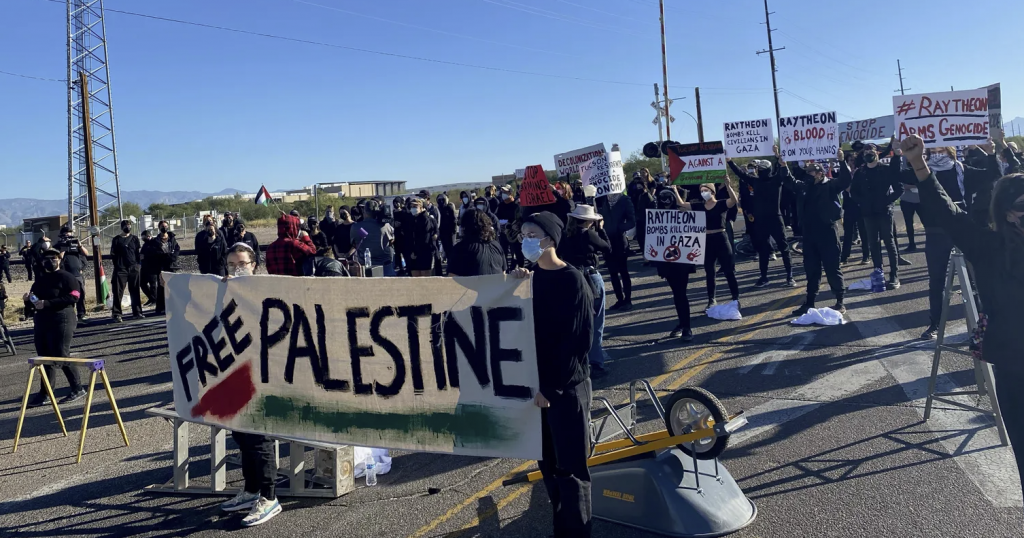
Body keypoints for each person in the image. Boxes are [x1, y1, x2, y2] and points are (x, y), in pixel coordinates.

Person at [899, 132, 1024, 495]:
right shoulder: (989, 247)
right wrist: (920, 164)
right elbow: (947, 215)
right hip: (1016, 370)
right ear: (1006, 212)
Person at [519, 212, 594, 538]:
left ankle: (577, 532)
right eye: (523, 233)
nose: (525, 239)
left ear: (549, 239)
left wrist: (548, 387)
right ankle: (560, 527)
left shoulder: (572, 280)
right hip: (538, 390)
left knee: (571, 468)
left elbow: (578, 342)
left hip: (565, 389)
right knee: (547, 463)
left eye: (532, 233)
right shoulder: (527, 280)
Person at [217, 243, 283, 526]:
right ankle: (251, 489)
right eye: (231, 264)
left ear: (254, 264)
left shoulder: (266, 287)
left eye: (241, 263)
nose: (236, 269)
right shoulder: (223, 290)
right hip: (236, 375)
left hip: (264, 376)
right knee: (242, 436)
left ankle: (269, 498)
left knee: (260, 438)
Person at [915, 140, 1002, 339]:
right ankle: (934, 324)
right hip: (935, 232)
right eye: (932, 149)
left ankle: (983, 321)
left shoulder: (962, 170)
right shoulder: (923, 174)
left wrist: (990, 154)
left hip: (964, 229)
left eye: (941, 147)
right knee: (936, 280)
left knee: (975, 279)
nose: (937, 152)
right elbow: (897, 176)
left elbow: (992, 175)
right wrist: (905, 156)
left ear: (949, 148)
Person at [782, 151, 851, 315]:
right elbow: (789, 181)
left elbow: (845, 180)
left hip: (827, 232)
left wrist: (841, 161)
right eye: (807, 172)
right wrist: (783, 165)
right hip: (809, 233)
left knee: (832, 268)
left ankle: (840, 301)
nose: (808, 175)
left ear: (820, 173)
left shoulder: (831, 185)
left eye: (811, 172)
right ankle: (810, 302)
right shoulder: (805, 186)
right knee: (811, 269)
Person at [24, 248, 86, 407]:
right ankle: (46, 393)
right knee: (44, 356)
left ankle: (77, 388)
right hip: (43, 320)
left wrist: (48, 303)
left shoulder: (67, 277)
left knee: (60, 353)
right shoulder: (40, 280)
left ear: (59, 260)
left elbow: (74, 296)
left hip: (62, 318)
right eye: (47, 259)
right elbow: (35, 299)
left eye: (54, 258)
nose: (50, 261)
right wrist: (28, 300)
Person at [557, 205, 611, 379]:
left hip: (572, 277)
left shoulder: (565, 235)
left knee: (579, 321)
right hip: (590, 277)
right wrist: (601, 230)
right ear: (589, 220)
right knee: (596, 322)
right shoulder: (589, 234)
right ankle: (596, 362)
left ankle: (579, 361)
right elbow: (607, 248)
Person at [728, 153, 796, 287]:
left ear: (764, 170)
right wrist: (729, 161)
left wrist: (780, 159)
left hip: (772, 219)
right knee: (765, 250)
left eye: (759, 168)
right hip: (766, 220)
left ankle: (789, 276)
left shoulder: (773, 180)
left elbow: (783, 171)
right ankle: (766, 277)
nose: (756, 170)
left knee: (782, 248)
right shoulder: (758, 180)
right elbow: (740, 174)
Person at [851, 139, 904, 290]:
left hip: (884, 211)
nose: (869, 155)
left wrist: (887, 202)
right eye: (866, 152)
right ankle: (878, 272)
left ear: (877, 154)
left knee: (889, 242)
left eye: (871, 152)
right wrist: (862, 202)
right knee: (873, 243)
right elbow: (853, 192)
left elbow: (899, 189)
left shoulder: (886, 169)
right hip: (868, 213)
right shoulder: (860, 172)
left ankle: (894, 275)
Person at [654, 188, 696, 341]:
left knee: (680, 294)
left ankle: (686, 327)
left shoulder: (683, 214)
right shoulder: (656, 216)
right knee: (677, 294)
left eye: (668, 200)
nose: (665, 204)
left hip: (682, 261)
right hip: (666, 262)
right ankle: (683, 323)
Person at [694, 181, 740, 309]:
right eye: (701, 191)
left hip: (721, 238)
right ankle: (711, 299)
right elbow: (681, 205)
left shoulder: (720, 204)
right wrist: (675, 189)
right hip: (707, 240)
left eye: (705, 190)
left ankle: (735, 297)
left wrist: (729, 185)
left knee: (728, 270)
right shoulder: (699, 206)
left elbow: (733, 200)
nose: (703, 193)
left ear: (712, 191)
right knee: (710, 272)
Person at [596, 192, 635, 311]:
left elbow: (632, 221)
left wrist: (619, 228)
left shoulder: (624, 199)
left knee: (623, 271)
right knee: (612, 273)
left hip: (619, 240)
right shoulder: (601, 199)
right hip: (607, 241)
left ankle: (628, 300)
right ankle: (619, 299)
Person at [447, 209, 506, 277]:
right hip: (496, 286)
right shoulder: (497, 246)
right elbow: (503, 273)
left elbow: (452, 277)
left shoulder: (460, 248)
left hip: (472, 287)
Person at [348, 201, 397, 276]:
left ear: (365, 212)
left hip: (366, 265)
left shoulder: (356, 227)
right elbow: (392, 240)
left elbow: (354, 244)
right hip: (385, 264)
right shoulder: (385, 225)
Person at [55, 225, 90, 322]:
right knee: (66, 295)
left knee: (80, 294)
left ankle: (81, 314)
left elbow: (86, 254)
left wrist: (80, 245)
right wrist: (64, 248)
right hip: (64, 274)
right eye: (66, 236)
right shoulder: (58, 246)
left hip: (77, 274)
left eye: (70, 236)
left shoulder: (75, 245)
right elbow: (57, 258)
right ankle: (68, 315)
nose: (68, 238)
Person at [110, 219, 142, 322]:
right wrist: (118, 265)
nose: (128, 227)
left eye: (129, 225)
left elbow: (138, 253)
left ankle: (137, 312)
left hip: (133, 268)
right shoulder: (116, 240)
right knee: (118, 292)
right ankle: (117, 314)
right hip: (121, 269)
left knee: (135, 290)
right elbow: (113, 255)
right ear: (122, 227)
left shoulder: (135, 239)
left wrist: (138, 265)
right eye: (126, 225)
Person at [840, 151, 869, 265]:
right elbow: (842, 184)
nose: (851, 162)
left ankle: (866, 255)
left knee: (863, 232)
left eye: (853, 160)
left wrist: (851, 189)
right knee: (848, 233)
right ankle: (844, 257)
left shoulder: (861, 172)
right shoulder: (845, 173)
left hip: (860, 205)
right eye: (849, 160)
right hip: (849, 206)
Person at [266, 212, 317, 277]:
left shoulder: (270, 247)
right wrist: (306, 237)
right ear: (293, 227)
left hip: (277, 283)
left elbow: (269, 268)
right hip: (294, 282)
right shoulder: (294, 243)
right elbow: (312, 251)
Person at [407, 199, 438, 277]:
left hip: (425, 252)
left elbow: (425, 237)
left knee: (425, 276)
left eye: (415, 206)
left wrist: (415, 252)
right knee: (415, 276)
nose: (413, 208)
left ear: (421, 207)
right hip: (413, 253)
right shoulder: (411, 220)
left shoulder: (427, 219)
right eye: (411, 206)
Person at [495, 185, 523, 269]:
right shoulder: (501, 205)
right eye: (502, 192)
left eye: (505, 192)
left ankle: (521, 268)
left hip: (515, 235)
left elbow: (519, 219)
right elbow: (498, 218)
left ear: (510, 193)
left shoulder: (516, 205)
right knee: (504, 253)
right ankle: (505, 270)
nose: (503, 194)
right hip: (504, 233)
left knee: (518, 252)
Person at [437, 193, 457, 267]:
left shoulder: (449, 208)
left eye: (443, 199)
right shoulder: (438, 209)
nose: (441, 201)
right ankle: (449, 264)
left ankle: (453, 264)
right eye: (439, 200)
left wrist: (454, 230)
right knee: (446, 248)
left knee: (452, 248)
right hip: (442, 232)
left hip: (451, 232)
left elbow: (454, 219)